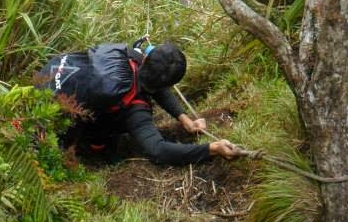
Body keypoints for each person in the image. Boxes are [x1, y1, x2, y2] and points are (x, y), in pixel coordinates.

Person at [37, 40, 239, 165]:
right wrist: (212, 148)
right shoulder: (135, 109)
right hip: (52, 122)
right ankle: (93, 150)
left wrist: (183, 117)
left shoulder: (124, 54)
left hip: (45, 77)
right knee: (104, 141)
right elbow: (159, 151)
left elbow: (154, 84)